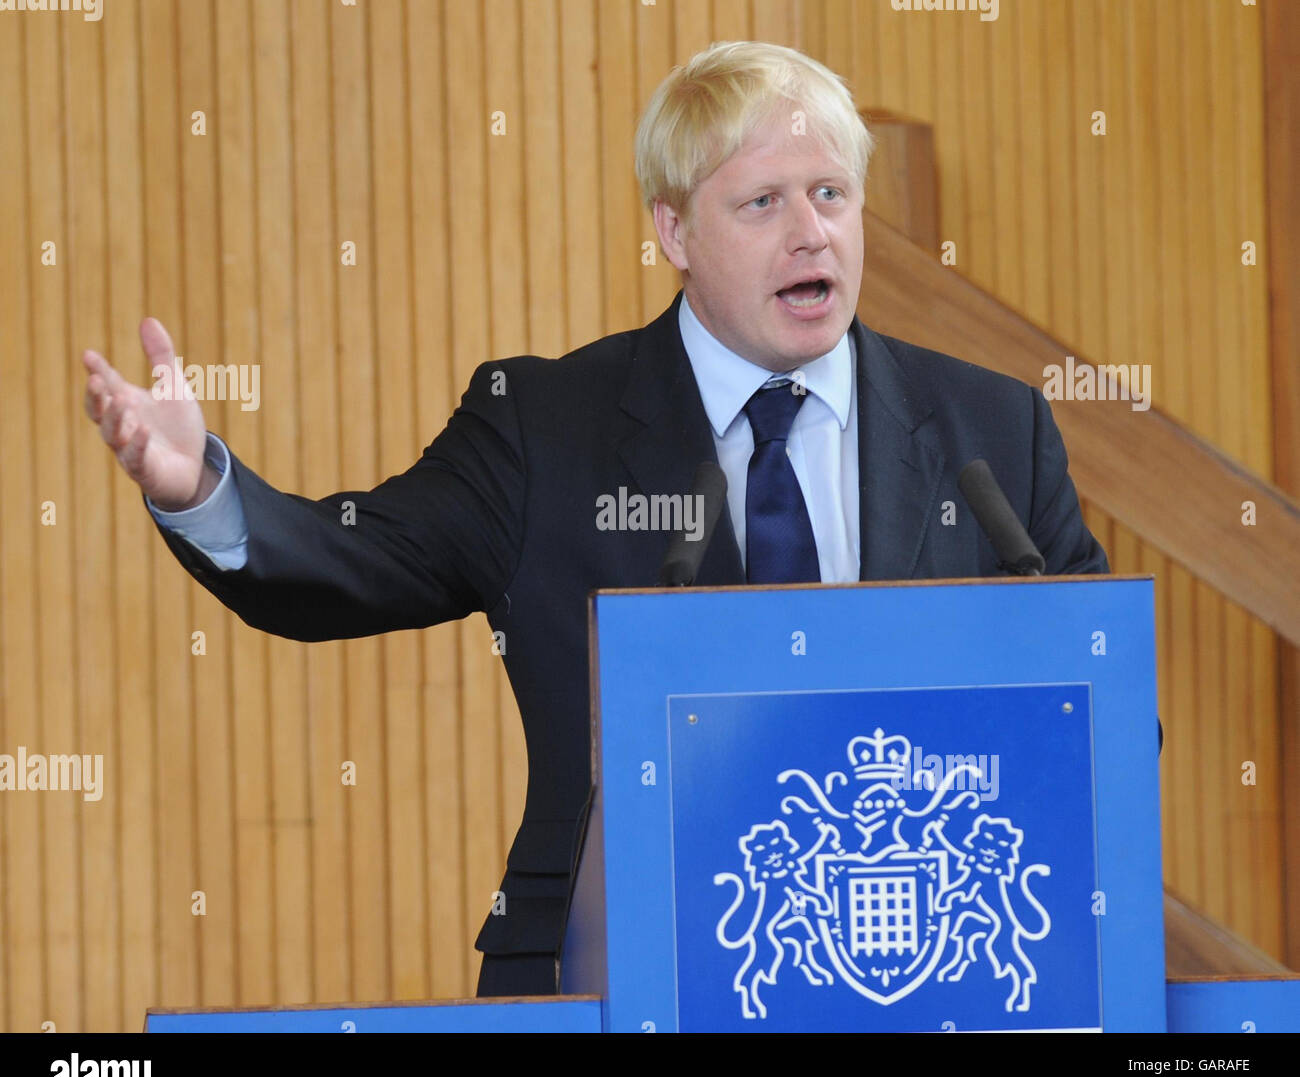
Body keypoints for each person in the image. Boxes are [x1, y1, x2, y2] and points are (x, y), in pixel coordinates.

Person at [80, 41, 1107, 998]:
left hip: (929, 982)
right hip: (618, 974)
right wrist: (200, 486)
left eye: (831, 194)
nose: (812, 232)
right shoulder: (544, 426)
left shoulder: (988, 425)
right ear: (673, 232)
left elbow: (1107, 705)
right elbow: (351, 562)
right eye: (762, 202)